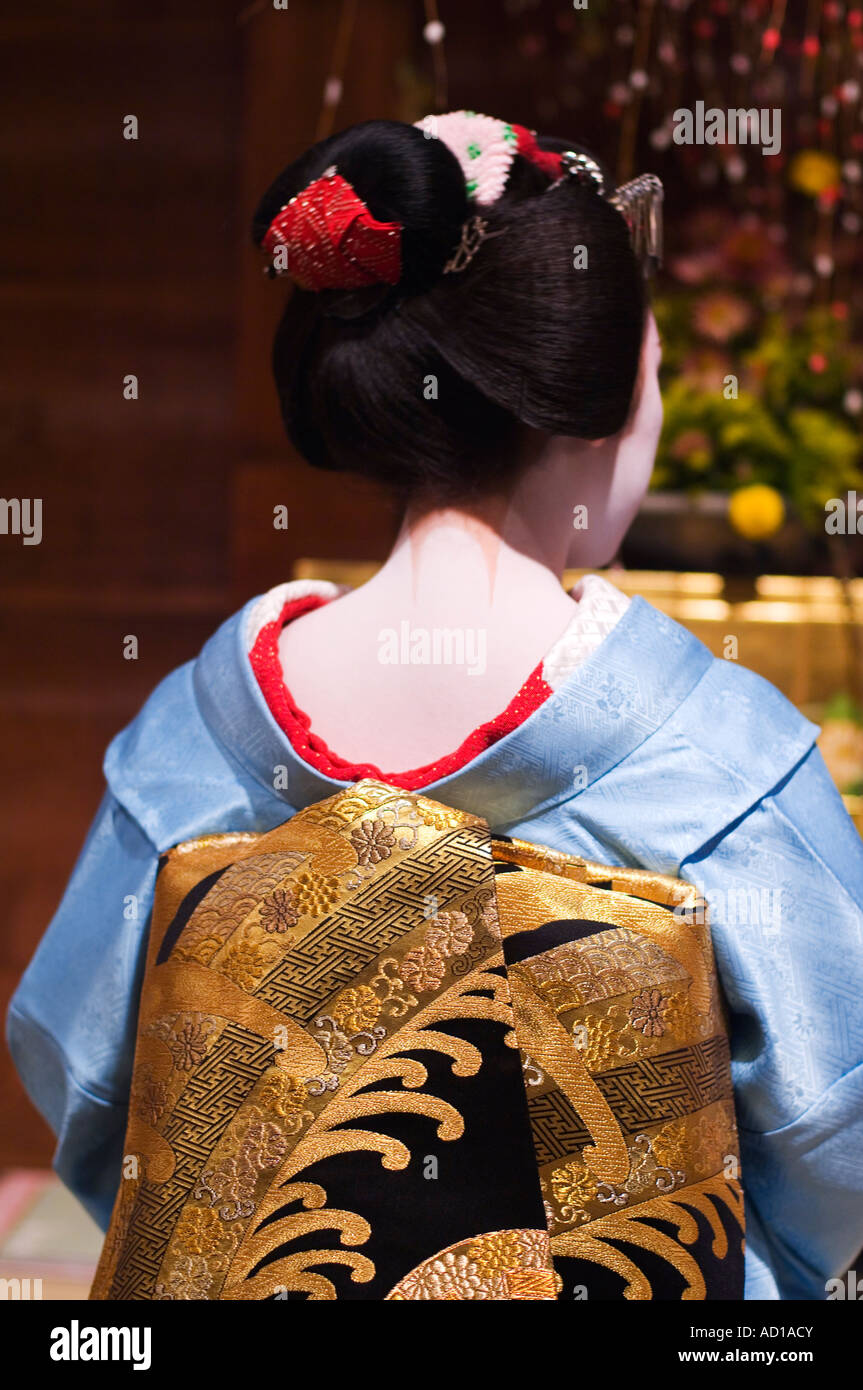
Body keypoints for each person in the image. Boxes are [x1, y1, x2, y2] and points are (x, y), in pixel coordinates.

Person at [8, 112, 863, 1301]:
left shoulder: (191, 735)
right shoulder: (714, 752)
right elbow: (837, 1121)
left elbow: (81, 1069)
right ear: (589, 399)